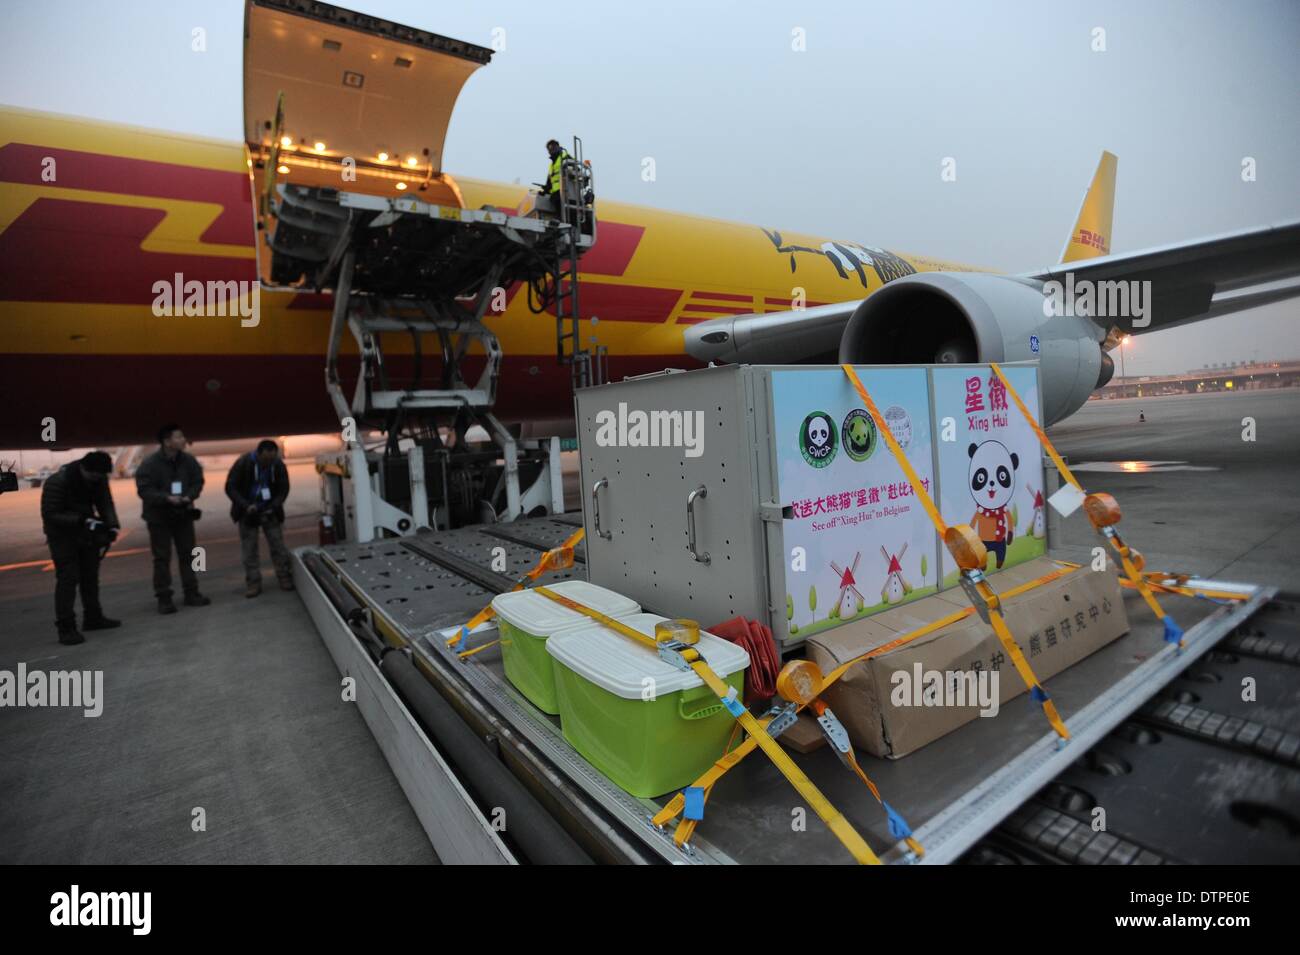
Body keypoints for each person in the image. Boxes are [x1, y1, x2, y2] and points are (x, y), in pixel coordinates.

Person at [40, 451, 121, 644]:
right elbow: (50, 514)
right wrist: (81, 520)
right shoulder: (57, 482)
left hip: (86, 533)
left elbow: (105, 502)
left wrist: (111, 526)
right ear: (85, 469)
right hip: (61, 537)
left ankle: (93, 618)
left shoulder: (98, 478)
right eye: (95, 475)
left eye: (101, 476)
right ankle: (66, 628)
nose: (98, 479)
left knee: (90, 576)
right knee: (68, 579)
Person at [135, 423, 210, 614]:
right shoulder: (149, 464)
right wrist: (166, 498)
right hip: (159, 517)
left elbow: (198, 481)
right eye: (179, 437)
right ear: (167, 442)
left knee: (191, 554)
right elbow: (144, 490)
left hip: (183, 514)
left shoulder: (189, 460)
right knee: (161, 558)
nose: (183, 440)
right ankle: (164, 598)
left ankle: (192, 592)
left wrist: (189, 496)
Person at [225, 439, 294, 597]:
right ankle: (253, 583)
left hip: (270, 511)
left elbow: (284, 488)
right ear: (258, 454)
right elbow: (230, 487)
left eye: (272, 459)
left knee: (278, 546)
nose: (268, 463)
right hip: (247, 511)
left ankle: (284, 577)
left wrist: (274, 506)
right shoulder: (243, 463)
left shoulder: (277, 464)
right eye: (266, 460)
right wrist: (245, 505)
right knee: (249, 550)